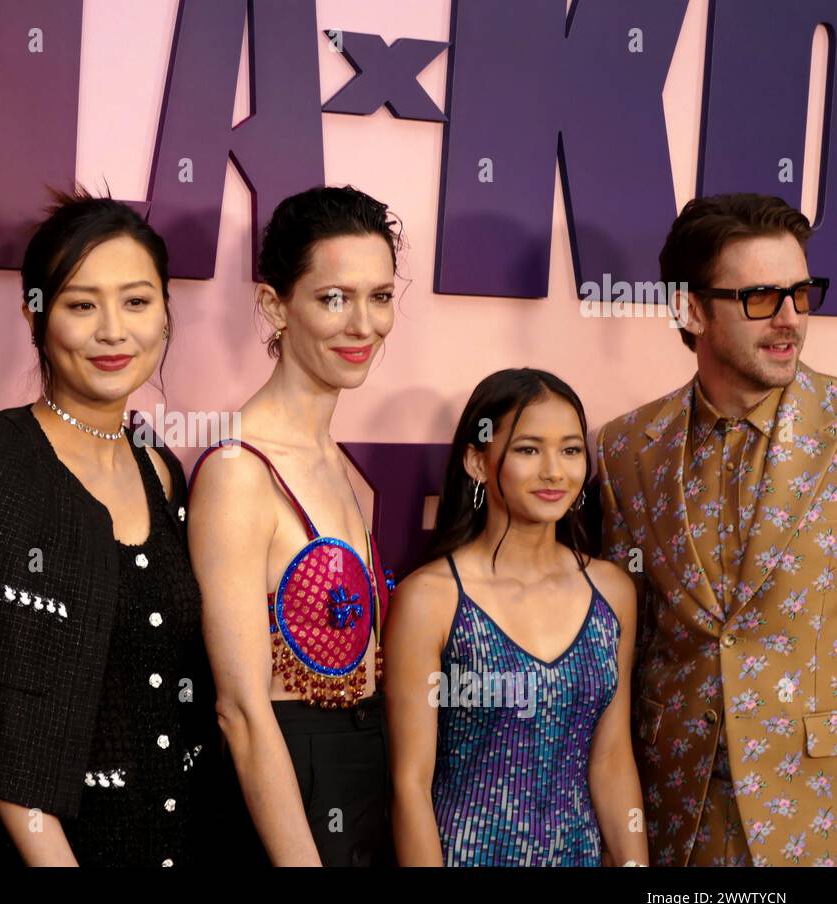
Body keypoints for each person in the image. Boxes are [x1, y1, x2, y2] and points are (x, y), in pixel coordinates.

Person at [0, 189, 217, 866]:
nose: (113, 332)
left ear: (165, 313)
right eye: (81, 304)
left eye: (136, 301)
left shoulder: (160, 469)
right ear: (36, 316)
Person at [597, 193, 837, 867]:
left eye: (801, 292)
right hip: (680, 814)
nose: (790, 319)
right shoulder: (622, 452)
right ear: (690, 308)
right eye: (761, 297)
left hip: (818, 812)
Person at [187, 185, 400, 866]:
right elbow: (241, 713)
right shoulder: (238, 469)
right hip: (291, 784)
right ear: (277, 306)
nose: (363, 324)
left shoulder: (338, 462)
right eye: (334, 297)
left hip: (367, 767)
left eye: (381, 296)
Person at [386, 369, 646, 866]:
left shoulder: (612, 592)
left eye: (571, 450)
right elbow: (410, 786)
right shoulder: (431, 598)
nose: (555, 471)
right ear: (477, 461)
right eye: (529, 449)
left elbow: (612, 761)